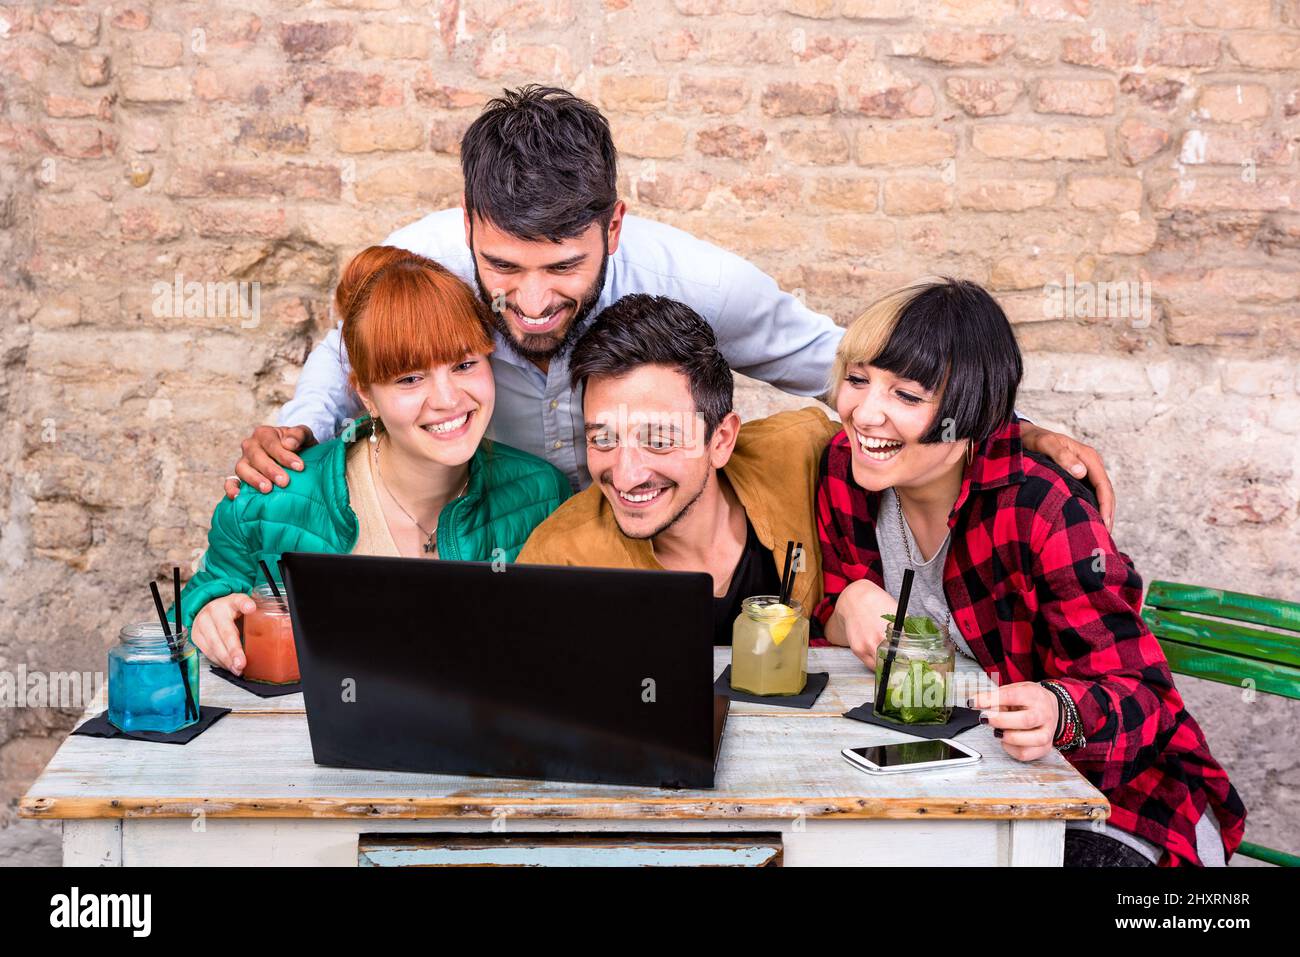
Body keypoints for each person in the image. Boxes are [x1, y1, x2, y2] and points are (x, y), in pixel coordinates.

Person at [222, 84, 1115, 520]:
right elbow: (351, 353)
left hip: (651, 547)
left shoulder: (700, 279)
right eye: (502, 265)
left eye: (564, 266)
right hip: (493, 540)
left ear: (614, 223)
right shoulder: (424, 258)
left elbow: (843, 366)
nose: (531, 300)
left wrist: (1015, 426)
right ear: (467, 223)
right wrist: (298, 424)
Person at [814, 277, 1246, 867]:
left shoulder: (1041, 510)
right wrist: (843, 608)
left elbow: (1145, 698)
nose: (865, 413)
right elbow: (832, 626)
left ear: (971, 411)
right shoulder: (847, 470)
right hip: (958, 788)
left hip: (1116, 806)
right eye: (857, 379)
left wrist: (1059, 711)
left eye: (907, 396)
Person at [178, 247, 570, 674]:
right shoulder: (264, 505)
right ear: (366, 394)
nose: (448, 399)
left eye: (464, 364)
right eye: (410, 378)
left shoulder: (545, 497)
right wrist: (205, 616)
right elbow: (182, 630)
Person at [518, 294, 840, 645]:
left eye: (658, 441)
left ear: (720, 440)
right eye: (604, 440)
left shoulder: (803, 450)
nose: (626, 476)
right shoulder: (558, 560)